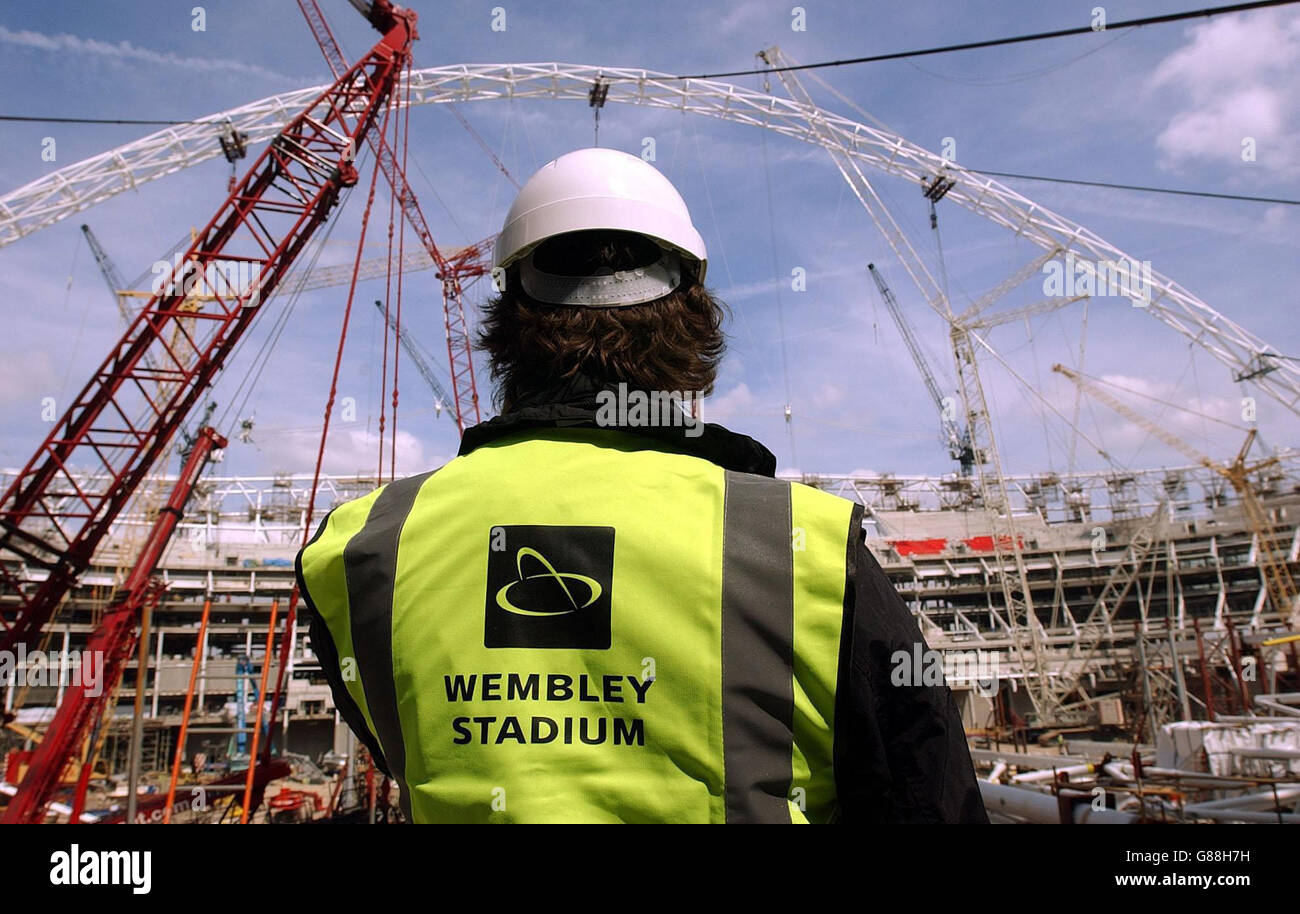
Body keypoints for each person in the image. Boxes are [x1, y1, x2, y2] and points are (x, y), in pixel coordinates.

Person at [296, 147, 988, 824]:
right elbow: (927, 794)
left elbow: (400, 745)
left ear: (506, 316)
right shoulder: (802, 548)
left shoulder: (364, 550)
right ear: (692, 320)